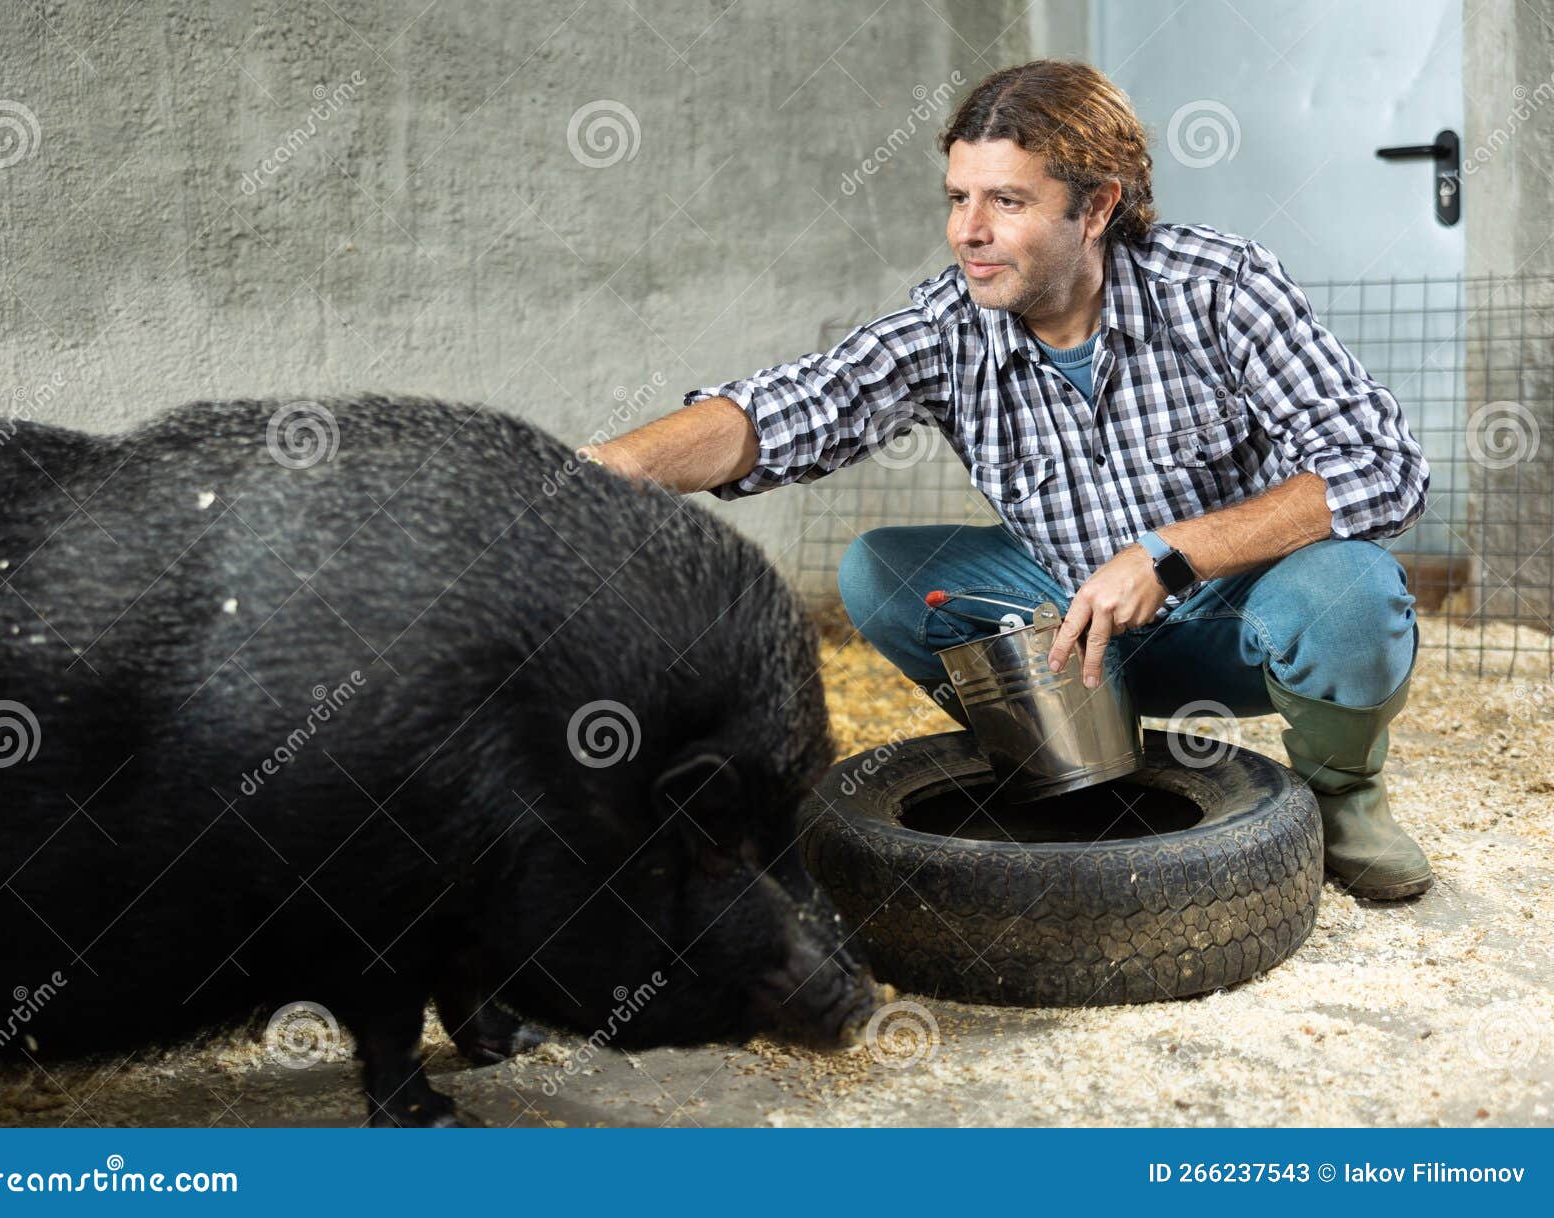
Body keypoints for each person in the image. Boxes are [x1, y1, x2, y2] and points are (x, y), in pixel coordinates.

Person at [584, 60, 1432, 900]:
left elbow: (1382, 464)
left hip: (1239, 623)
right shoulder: (948, 324)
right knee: (880, 572)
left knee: (1353, 591)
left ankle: (1342, 798)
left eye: (1007, 202)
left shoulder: (1218, 287)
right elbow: (795, 406)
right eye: (959, 198)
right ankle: (1065, 751)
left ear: (1096, 207)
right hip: (1070, 638)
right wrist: (606, 471)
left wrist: (1170, 554)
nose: (968, 231)